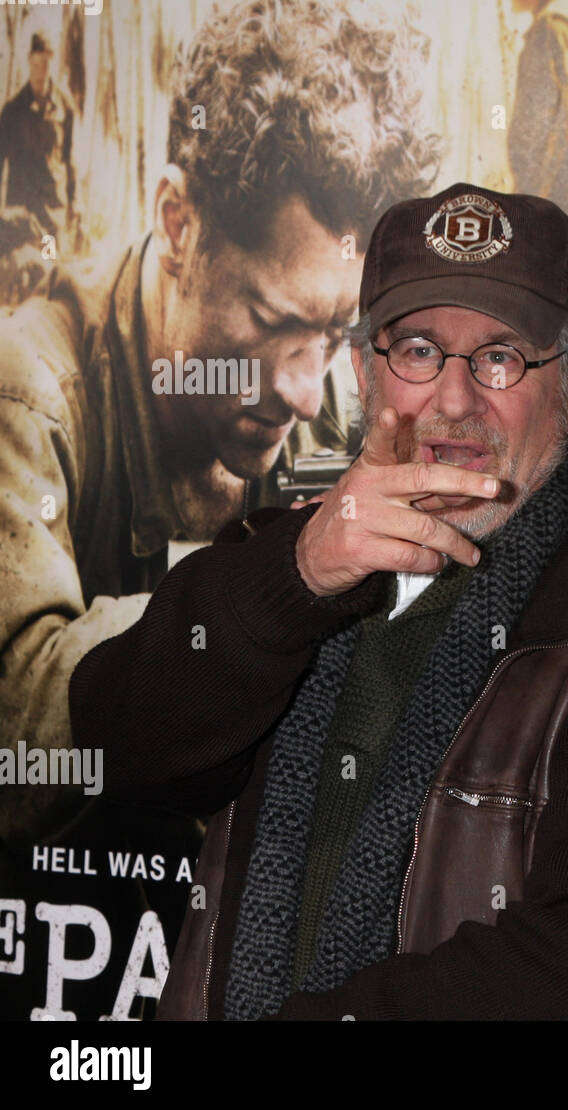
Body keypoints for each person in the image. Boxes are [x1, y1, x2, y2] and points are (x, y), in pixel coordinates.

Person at [68, 182, 568, 1020]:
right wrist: (294, 581)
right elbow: (117, 753)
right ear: (368, 375)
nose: (452, 399)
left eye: (500, 356)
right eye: (417, 350)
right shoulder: (275, 559)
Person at [0, 0, 437, 853]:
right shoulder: (31, 396)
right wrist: (281, 587)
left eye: (333, 332)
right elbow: (16, 744)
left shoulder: (340, 419)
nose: (308, 394)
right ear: (177, 222)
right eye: (273, 320)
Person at [0, 33, 76, 244]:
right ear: (29, 61)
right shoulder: (12, 110)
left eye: (46, 62)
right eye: (37, 62)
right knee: (22, 274)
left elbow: (70, 161)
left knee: (50, 272)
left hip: (52, 214)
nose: (41, 69)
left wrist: (74, 204)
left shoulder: (64, 108)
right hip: (20, 217)